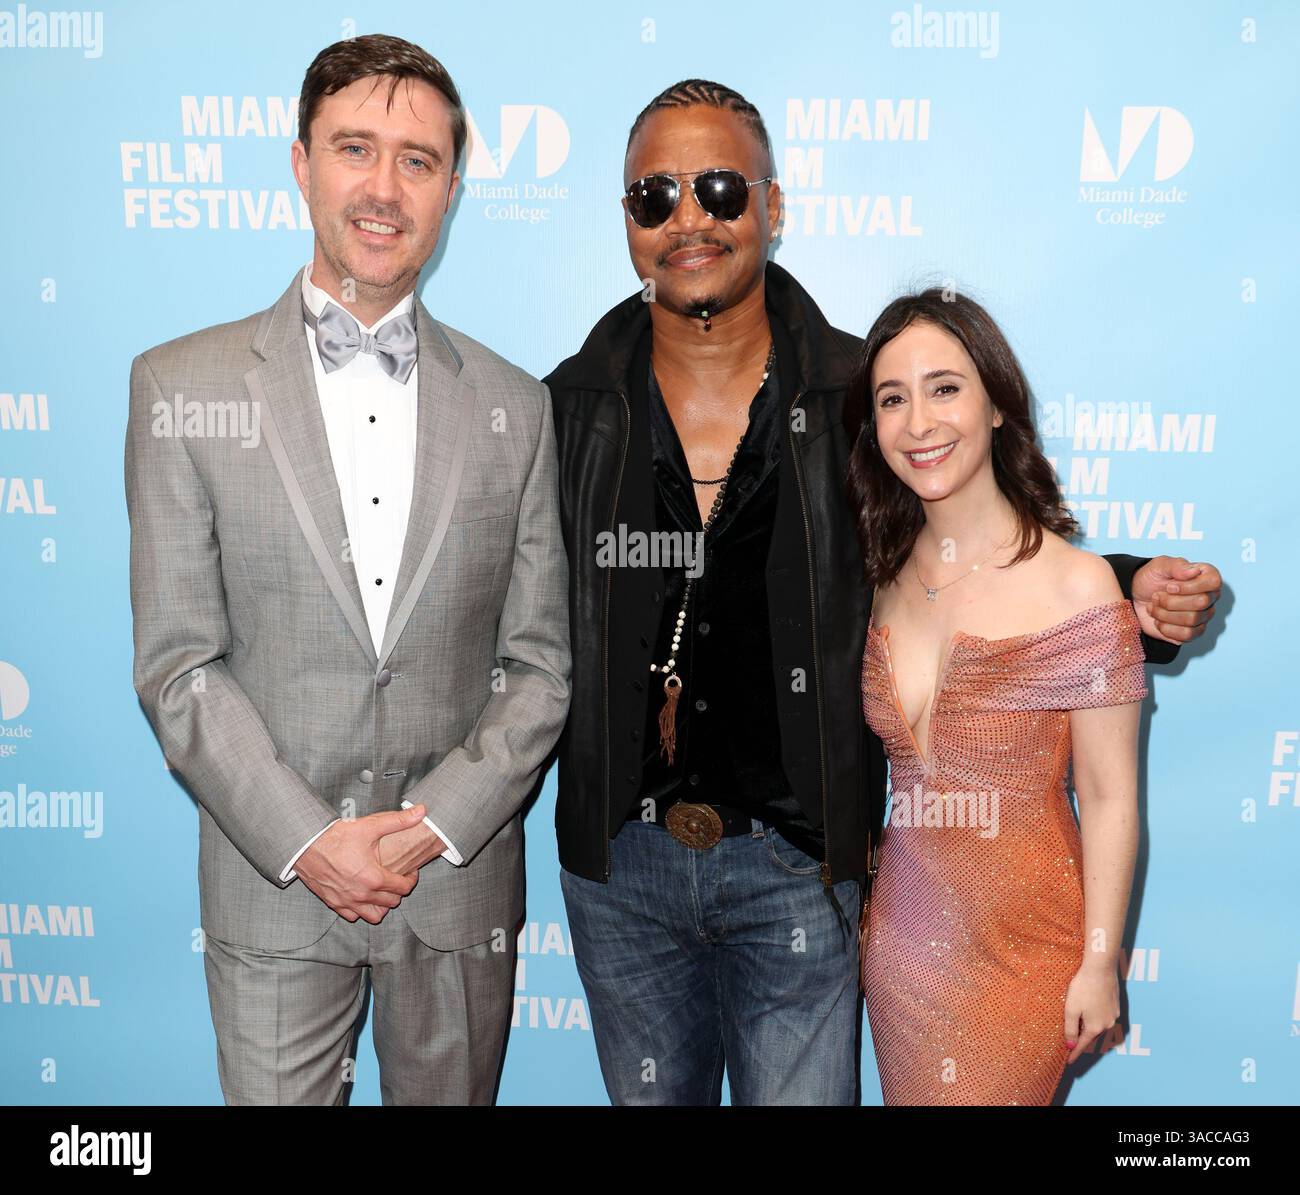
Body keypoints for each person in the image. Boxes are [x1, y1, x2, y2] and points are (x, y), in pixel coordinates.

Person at [544, 78, 1222, 1106]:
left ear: (774, 204)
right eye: (656, 196)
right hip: (621, 871)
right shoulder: (566, 409)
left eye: (722, 188)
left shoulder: (857, 395)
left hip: (799, 866)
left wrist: (1125, 588)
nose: (690, 217)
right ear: (627, 222)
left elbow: (959, 527)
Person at [124, 34, 570, 1105]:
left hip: (455, 890)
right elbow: (179, 664)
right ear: (299, 163)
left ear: (453, 189)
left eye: (417, 160)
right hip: (271, 886)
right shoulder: (177, 386)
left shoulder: (517, 406)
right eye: (354, 149)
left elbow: (539, 665)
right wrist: (309, 840)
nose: (383, 187)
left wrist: (431, 828)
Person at [848, 289, 1195, 1105]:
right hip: (901, 949)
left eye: (945, 387)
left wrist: (1101, 960)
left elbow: (1110, 797)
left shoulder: (1077, 587)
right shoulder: (879, 578)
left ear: (998, 404)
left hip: (1024, 955)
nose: (919, 421)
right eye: (892, 398)